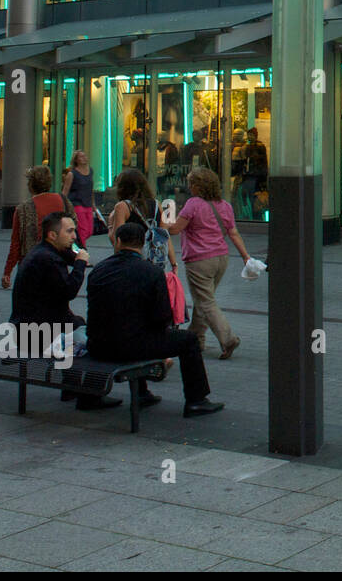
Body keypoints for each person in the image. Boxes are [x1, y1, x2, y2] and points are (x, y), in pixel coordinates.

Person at [85, 223, 224, 418]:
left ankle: (142, 393)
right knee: (189, 340)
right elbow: (162, 317)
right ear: (142, 244)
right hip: (131, 346)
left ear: (118, 241)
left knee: (132, 330)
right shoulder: (151, 272)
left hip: (98, 345)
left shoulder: (99, 269)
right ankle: (196, 400)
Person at [10, 212, 115, 411]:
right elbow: (69, 291)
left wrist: (74, 255)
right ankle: (90, 396)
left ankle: (71, 386)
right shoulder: (48, 260)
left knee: (78, 325)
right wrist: (80, 263)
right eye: (69, 231)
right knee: (97, 341)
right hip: (39, 334)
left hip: (26, 329)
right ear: (52, 235)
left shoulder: (41, 252)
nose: (74, 236)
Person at [165, 168, 252, 359]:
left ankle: (228, 339)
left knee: (205, 302)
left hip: (199, 260)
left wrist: (165, 218)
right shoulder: (225, 205)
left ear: (198, 186)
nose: (189, 187)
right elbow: (234, 233)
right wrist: (245, 256)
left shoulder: (193, 204)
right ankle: (196, 339)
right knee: (203, 300)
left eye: (191, 184)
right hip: (221, 259)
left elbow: (175, 230)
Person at [2, 165, 78, 289]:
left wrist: (7, 272)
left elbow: (16, 244)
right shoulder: (64, 201)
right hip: (57, 261)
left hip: (31, 265)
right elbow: (74, 225)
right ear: (49, 182)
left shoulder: (22, 209)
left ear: (30, 185)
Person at [107, 169, 179, 274]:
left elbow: (116, 239)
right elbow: (165, 235)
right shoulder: (156, 204)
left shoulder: (123, 206)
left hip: (132, 262)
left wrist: (110, 225)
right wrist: (174, 263)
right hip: (154, 263)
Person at [62, 150, 96, 247]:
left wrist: (93, 204)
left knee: (90, 231)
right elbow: (65, 190)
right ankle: (83, 249)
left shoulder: (90, 171)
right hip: (77, 204)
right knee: (83, 230)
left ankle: (76, 244)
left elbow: (90, 188)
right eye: (81, 157)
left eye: (84, 156)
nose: (84, 158)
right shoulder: (72, 174)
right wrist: (64, 205)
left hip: (88, 203)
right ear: (76, 160)